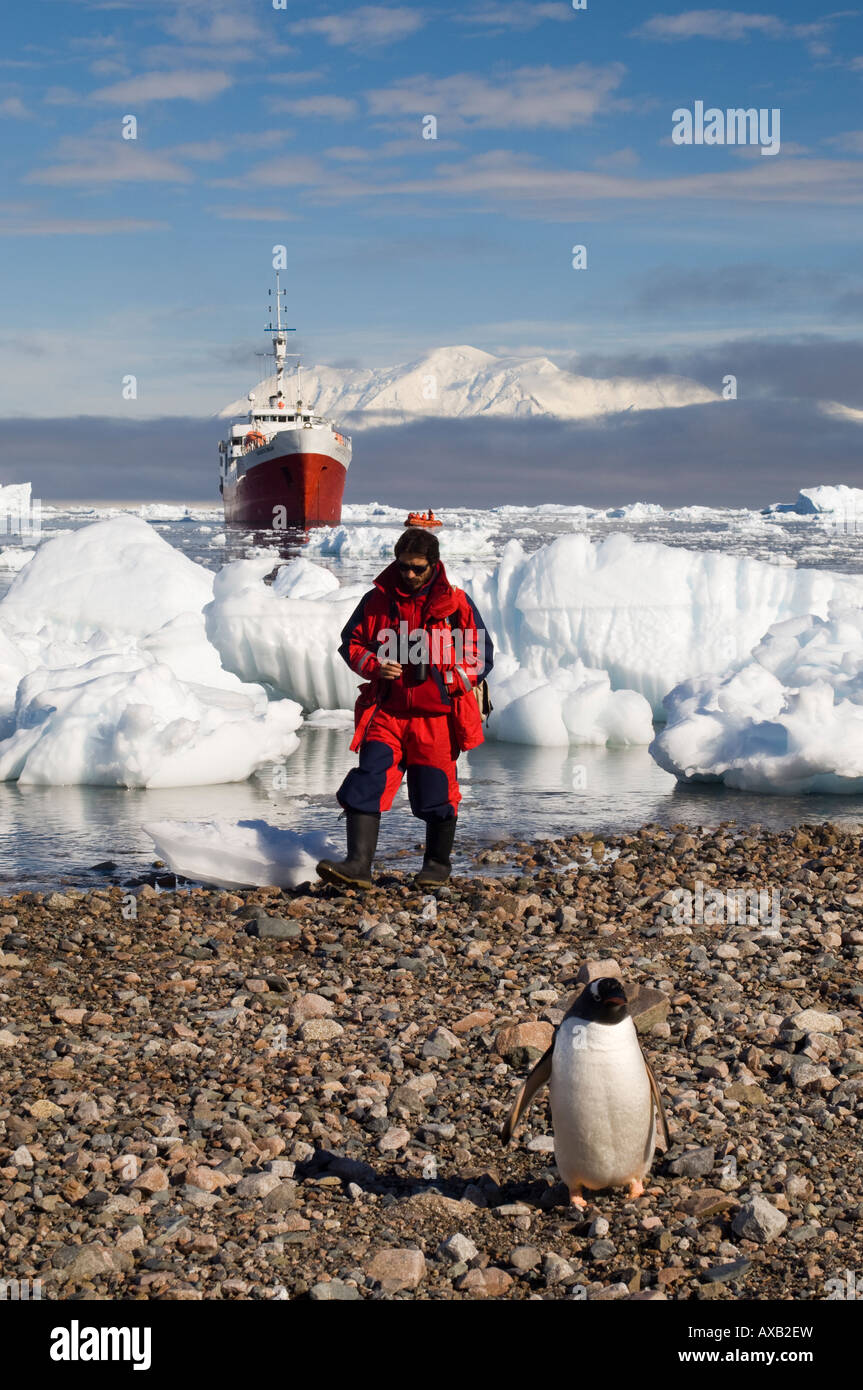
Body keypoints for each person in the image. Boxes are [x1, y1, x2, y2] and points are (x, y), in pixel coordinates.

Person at [316, 527, 493, 890]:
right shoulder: (376, 600)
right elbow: (351, 643)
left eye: (417, 568)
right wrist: (373, 665)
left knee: (436, 791)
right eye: (403, 567)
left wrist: (452, 680)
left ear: (434, 564)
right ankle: (358, 866)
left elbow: (481, 654)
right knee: (370, 777)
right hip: (389, 712)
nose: (409, 575)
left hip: (436, 718)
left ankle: (436, 866)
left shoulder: (456, 603)